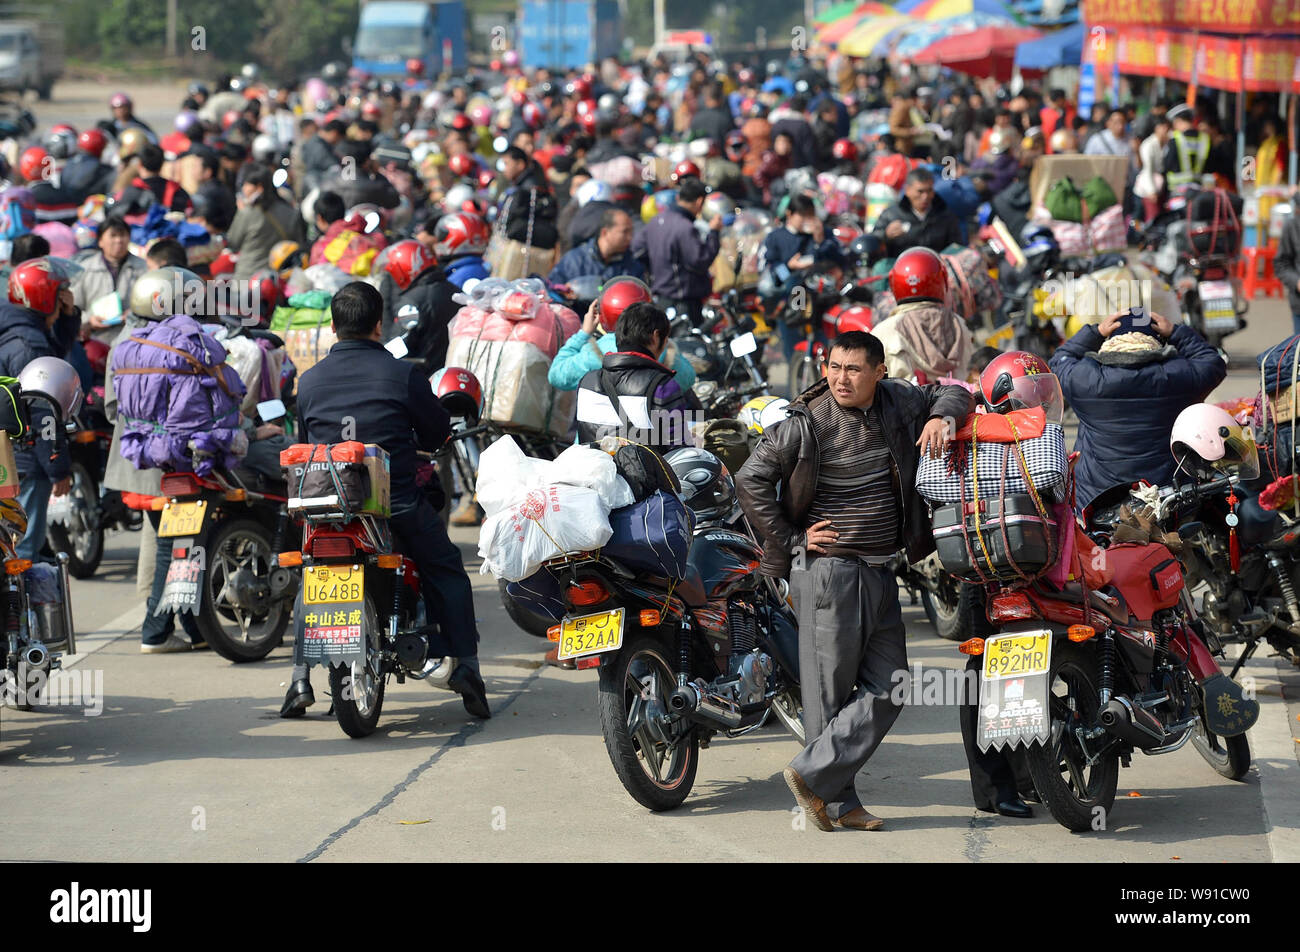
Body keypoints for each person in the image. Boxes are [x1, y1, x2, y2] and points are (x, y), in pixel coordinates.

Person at [735, 330, 974, 831]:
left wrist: (939, 416)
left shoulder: (898, 401)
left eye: (854, 369)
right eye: (834, 366)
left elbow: (956, 391)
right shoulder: (804, 425)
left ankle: (812, 775)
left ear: (879, 372)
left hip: (883, 570)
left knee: (892, 687)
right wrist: (794, 537)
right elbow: (750, 479)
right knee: (829, 698)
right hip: (830, 575)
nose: (842, 378)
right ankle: (838, 804)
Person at [283, 281, 489, 719]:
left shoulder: (311, 381)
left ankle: (299, 678)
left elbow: (307, 442)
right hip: (392, 505)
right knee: (446, 568)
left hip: (325, 509)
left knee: (309, 573)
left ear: (334, 327)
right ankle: (466, 668)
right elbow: (436, 434)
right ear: (379, 324)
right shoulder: (403, 374)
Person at [1048, 309, 1227, 513]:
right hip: (1170, 496)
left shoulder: (1083, 379)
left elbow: (1060, 359)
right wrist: (1177, 333)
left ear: (1111, 340)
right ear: (1157, 340)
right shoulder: (1180, 376)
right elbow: (1213, 362)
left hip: (1097, 500)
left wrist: (1095, 332)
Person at [0, 259, 76, 561]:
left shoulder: (15, 332)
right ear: (45, 299)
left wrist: (68, 318)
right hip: (25, 462)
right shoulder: (29, 347)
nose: (65, 305)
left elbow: (56, 354)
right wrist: (57, 465)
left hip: (9, 457)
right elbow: (45, 409)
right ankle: (19, 611)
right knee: (22, 551)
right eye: (61, 299)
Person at [574, 300, 702, 455]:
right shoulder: (662, 386)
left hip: (594, 476)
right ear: (656, 337)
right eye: (666, 338)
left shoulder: (587, 382)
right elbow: (680, 451)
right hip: (643, 479)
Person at [549, 276, 695, 393]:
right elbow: (689, 379)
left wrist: (583, 333)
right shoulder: (662, 352)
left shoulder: (593, 354)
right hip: (649, 430)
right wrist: (665, 341)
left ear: (603, 315)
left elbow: (556, 375)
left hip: (598, 431)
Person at [758, 193, 841, 365]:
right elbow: (772, 272)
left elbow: (838, 258)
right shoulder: (776, 237)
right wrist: (790, 267)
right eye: (802, 215)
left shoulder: (822, 234)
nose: (807, 220)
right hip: (794, 297)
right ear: (789, 214)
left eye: (811, 215)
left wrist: (819, 242)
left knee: (824, 348)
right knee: (794, 348)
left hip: (821, 297)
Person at [630, 176, 721, 326]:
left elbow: (637, 251)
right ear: (699, 202)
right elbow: (700, 260)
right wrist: (714, 233)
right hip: (683, 304)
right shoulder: (685, 227)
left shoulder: (656, 221)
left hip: (660, 299)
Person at [871, 247, 972, 383]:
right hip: (959, 402)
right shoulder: (959, 324)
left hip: (906, 404)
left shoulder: (882, 332)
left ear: (893, 283)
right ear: (943, 280)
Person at [71, 218, 147, 346]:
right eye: (113, 235)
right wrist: (89, 319)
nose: (118, 240)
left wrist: (136, 312)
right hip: (95, 339)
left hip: (132, 339)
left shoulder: (143, 268)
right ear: (100, 241)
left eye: (122, 235)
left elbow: (151, 303)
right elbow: (72, 307)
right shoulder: (85, 269)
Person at [227, 163, 305, 280]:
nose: (243, 189)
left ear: (259, 187)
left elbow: (233, 242)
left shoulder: (247, 213)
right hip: (279, 279)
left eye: (246, 184)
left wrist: (241, 211)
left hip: (248, 278)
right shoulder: (290, 212)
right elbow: (298, 243)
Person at [871, 167, 962, 258]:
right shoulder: (891, 214)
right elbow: (873, 240)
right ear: (907, 190)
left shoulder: (945, 215)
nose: (925, 197)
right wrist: (886, 235)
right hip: (900, 267)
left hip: (935, 267)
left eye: (929, 190)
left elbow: (956, 246)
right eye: (920, 191)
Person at [548, 208, 644, 287]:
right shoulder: (573, 261)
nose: (630, 237)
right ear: (605, 232)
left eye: (631, 232)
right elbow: (552, 290)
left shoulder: (633, 266)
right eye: (625, 232)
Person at [110, 143, 193, 218]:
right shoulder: (178, 191)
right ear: (162, 164)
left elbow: (114, 216)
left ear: (139, 164)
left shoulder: (129, 192)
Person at [1134, 115, 1171, 224]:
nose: (1167, 131)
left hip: (1160, 187)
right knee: (1150, 219)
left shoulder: (1166, 144)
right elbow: (1148, 170)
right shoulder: (1148, 145)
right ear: (1157, 128)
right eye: (1164, 128)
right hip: (1147, 188)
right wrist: (1151, 191)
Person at [1162, 104, 1209, 192]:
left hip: (1178, 192)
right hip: (1199, 191)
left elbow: (1166, 165)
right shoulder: (1205, 139)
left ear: (1178, 121)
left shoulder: (1175, 140)